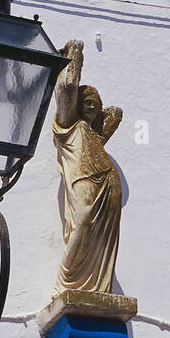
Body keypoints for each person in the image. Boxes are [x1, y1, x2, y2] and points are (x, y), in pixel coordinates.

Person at [51, 39, 125, 297]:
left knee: (102, 241)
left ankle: (98, 287)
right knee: (81, 223)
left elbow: (116, 113)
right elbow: (69, 88)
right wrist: (74, 54)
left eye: (96, 101)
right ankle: (68, 282)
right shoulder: (68, 126)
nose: (92, 105)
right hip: (84, 185)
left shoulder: (95, 136)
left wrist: (97, 110)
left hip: (108, 188)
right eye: (87, 101)